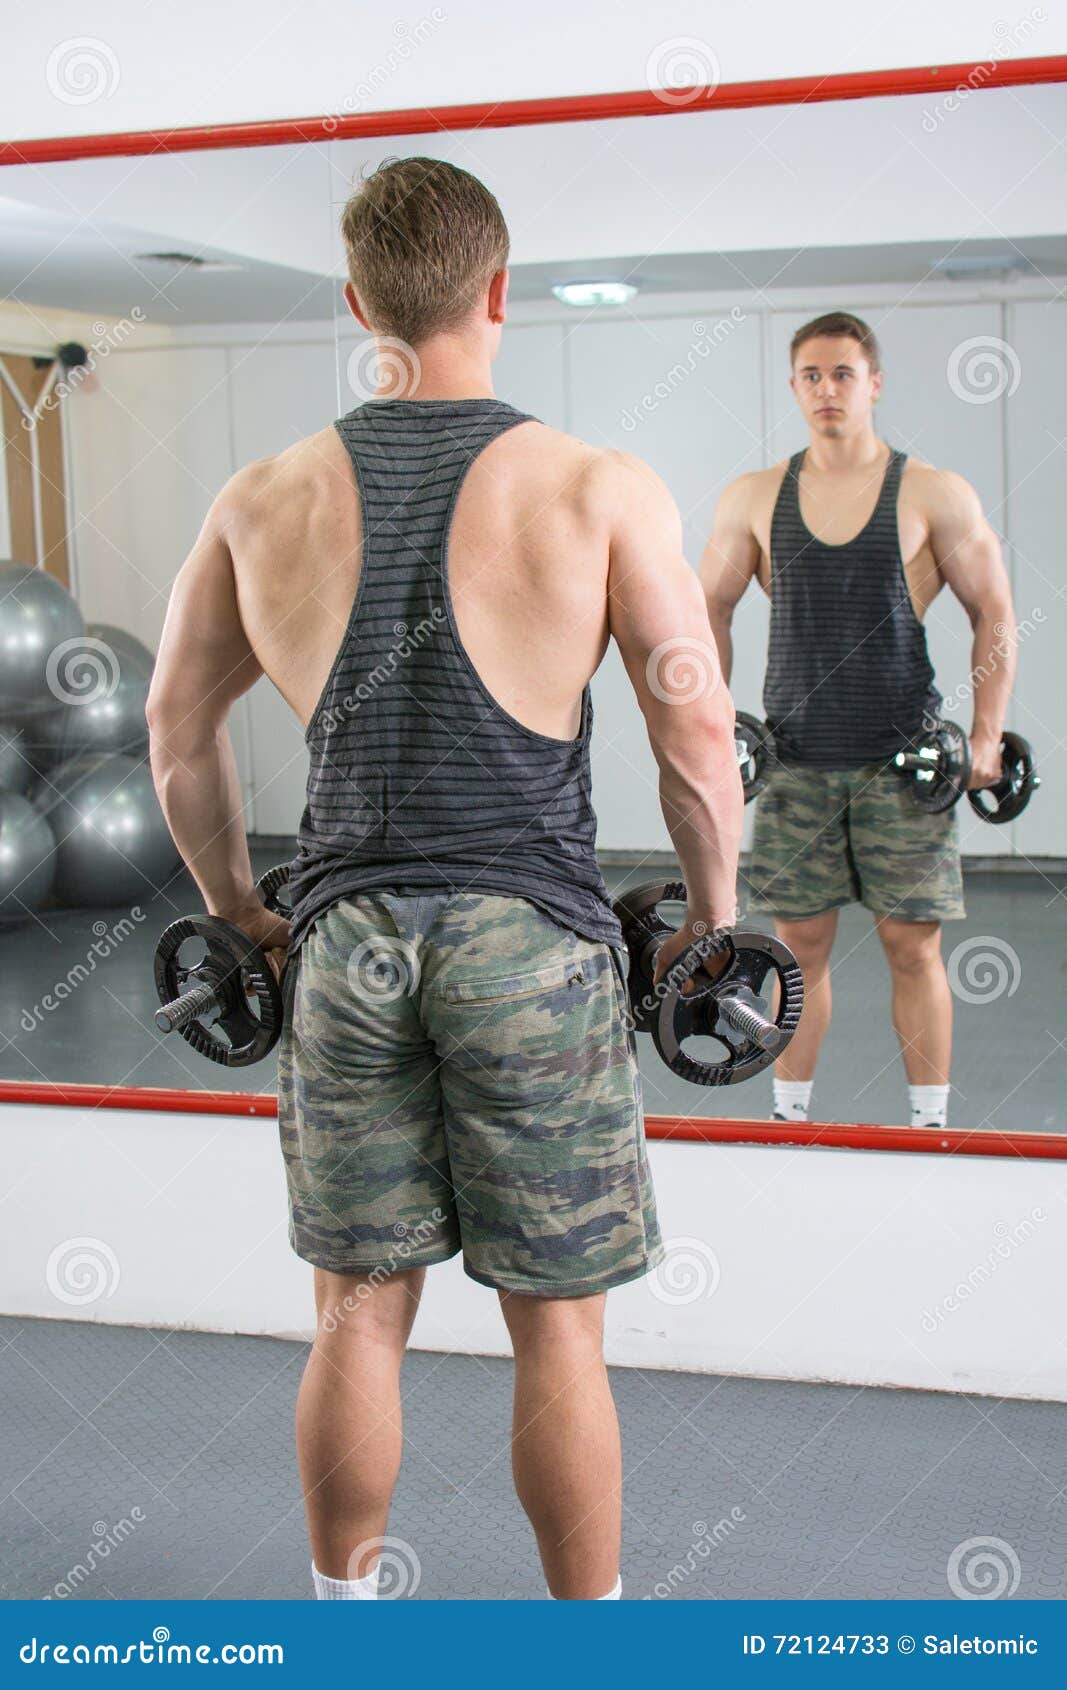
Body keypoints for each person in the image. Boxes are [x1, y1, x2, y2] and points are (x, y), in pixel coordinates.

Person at [146, 156, 743, 1602]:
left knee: (354, 1315)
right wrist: (714, 923)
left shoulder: (263, 495)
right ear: (497, 289)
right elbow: (694, 724)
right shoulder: (595, 486)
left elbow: (176, 728)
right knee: (557, 1338)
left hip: (342, 943)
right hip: (530, 948)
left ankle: (346, 1624)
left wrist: (238, 905)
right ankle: (581, 1643)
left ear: (360, 303)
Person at [701, 311, 1016, 1131]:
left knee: (912, 950)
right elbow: (708, 614)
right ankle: (789, 1120)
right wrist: (704, 728)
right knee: (795, 951)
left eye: (842, 373)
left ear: (873, 382)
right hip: (796, 765)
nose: (826, 389)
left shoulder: (930, 492)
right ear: (793, 387)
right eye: (810, 374)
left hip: (904, 769)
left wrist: (985, 737)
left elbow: (995, 613)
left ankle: (929, 1125)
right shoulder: (753, 496)